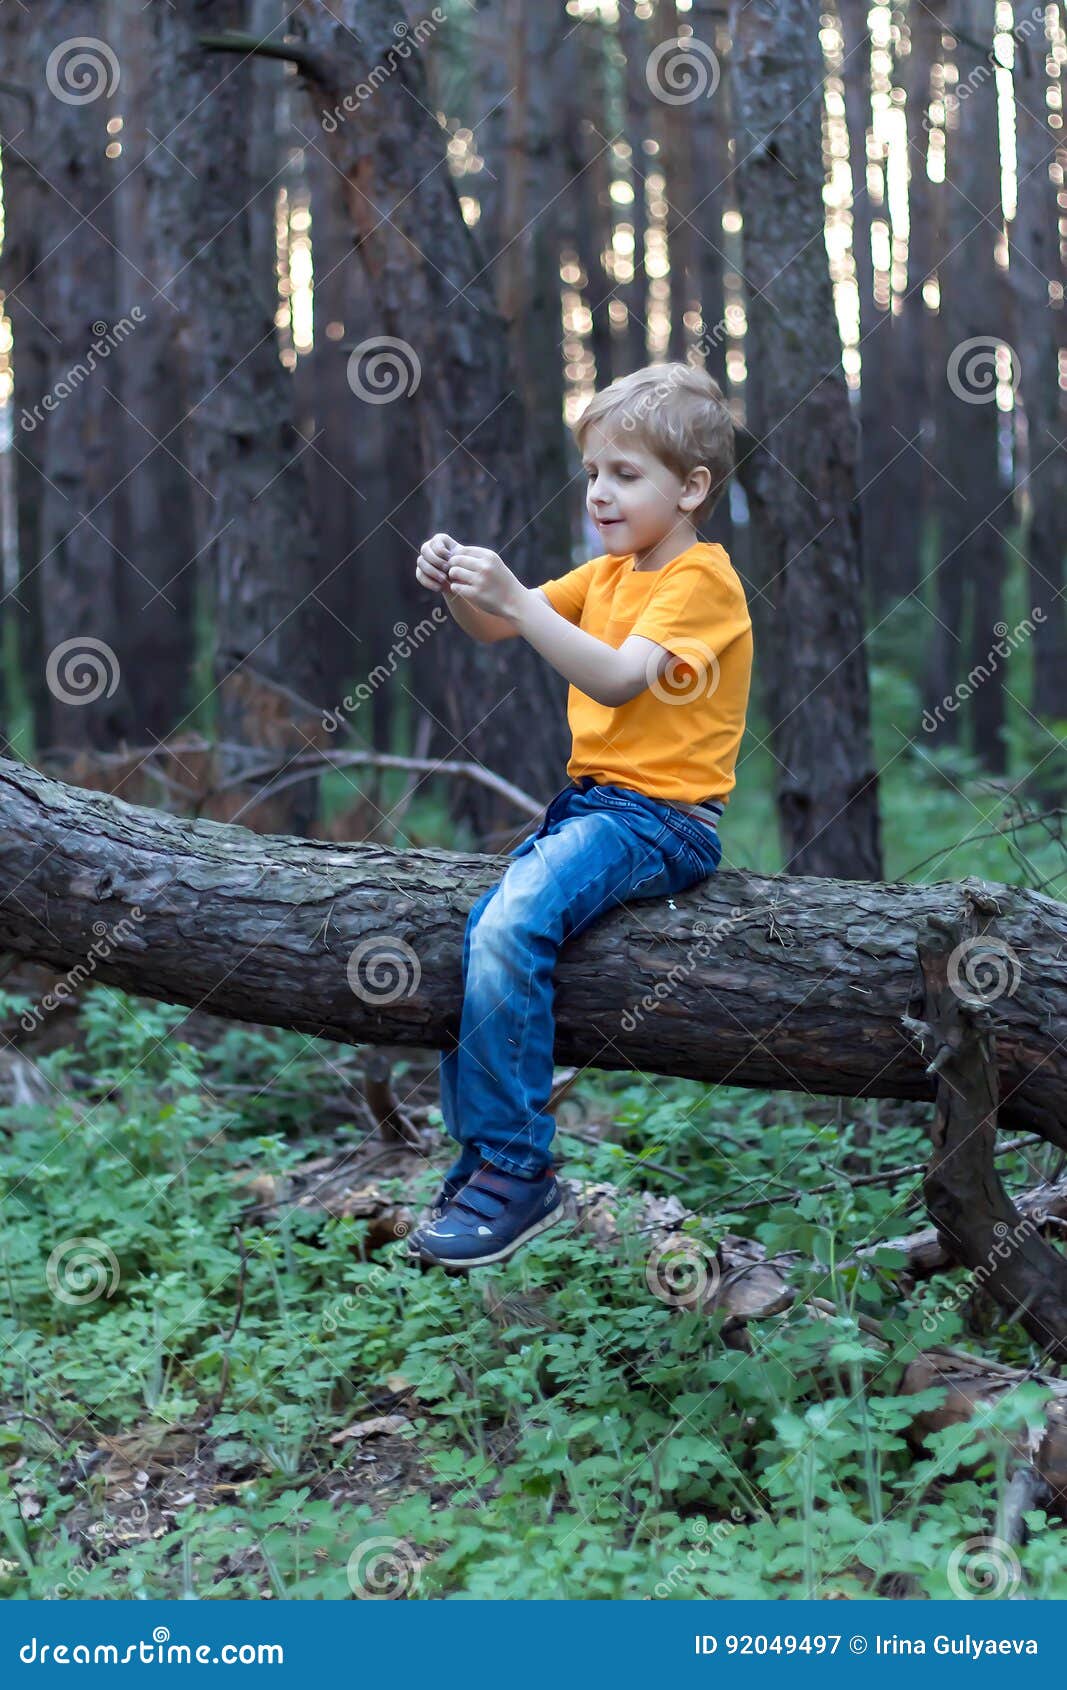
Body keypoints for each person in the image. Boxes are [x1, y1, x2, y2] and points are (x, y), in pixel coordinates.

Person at [407, 362, 753, 1270]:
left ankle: (519, 1171)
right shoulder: (608, 571)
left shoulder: (698, 581)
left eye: (626, 475)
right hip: (597, 809)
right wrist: (457, 582)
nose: (600, 492)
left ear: (690, 488)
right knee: (488, 926)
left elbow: (611, 675)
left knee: (512, 924)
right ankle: (485, 1154)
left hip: (664, 820)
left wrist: (519, 599)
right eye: (593, 472)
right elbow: (497, 627)